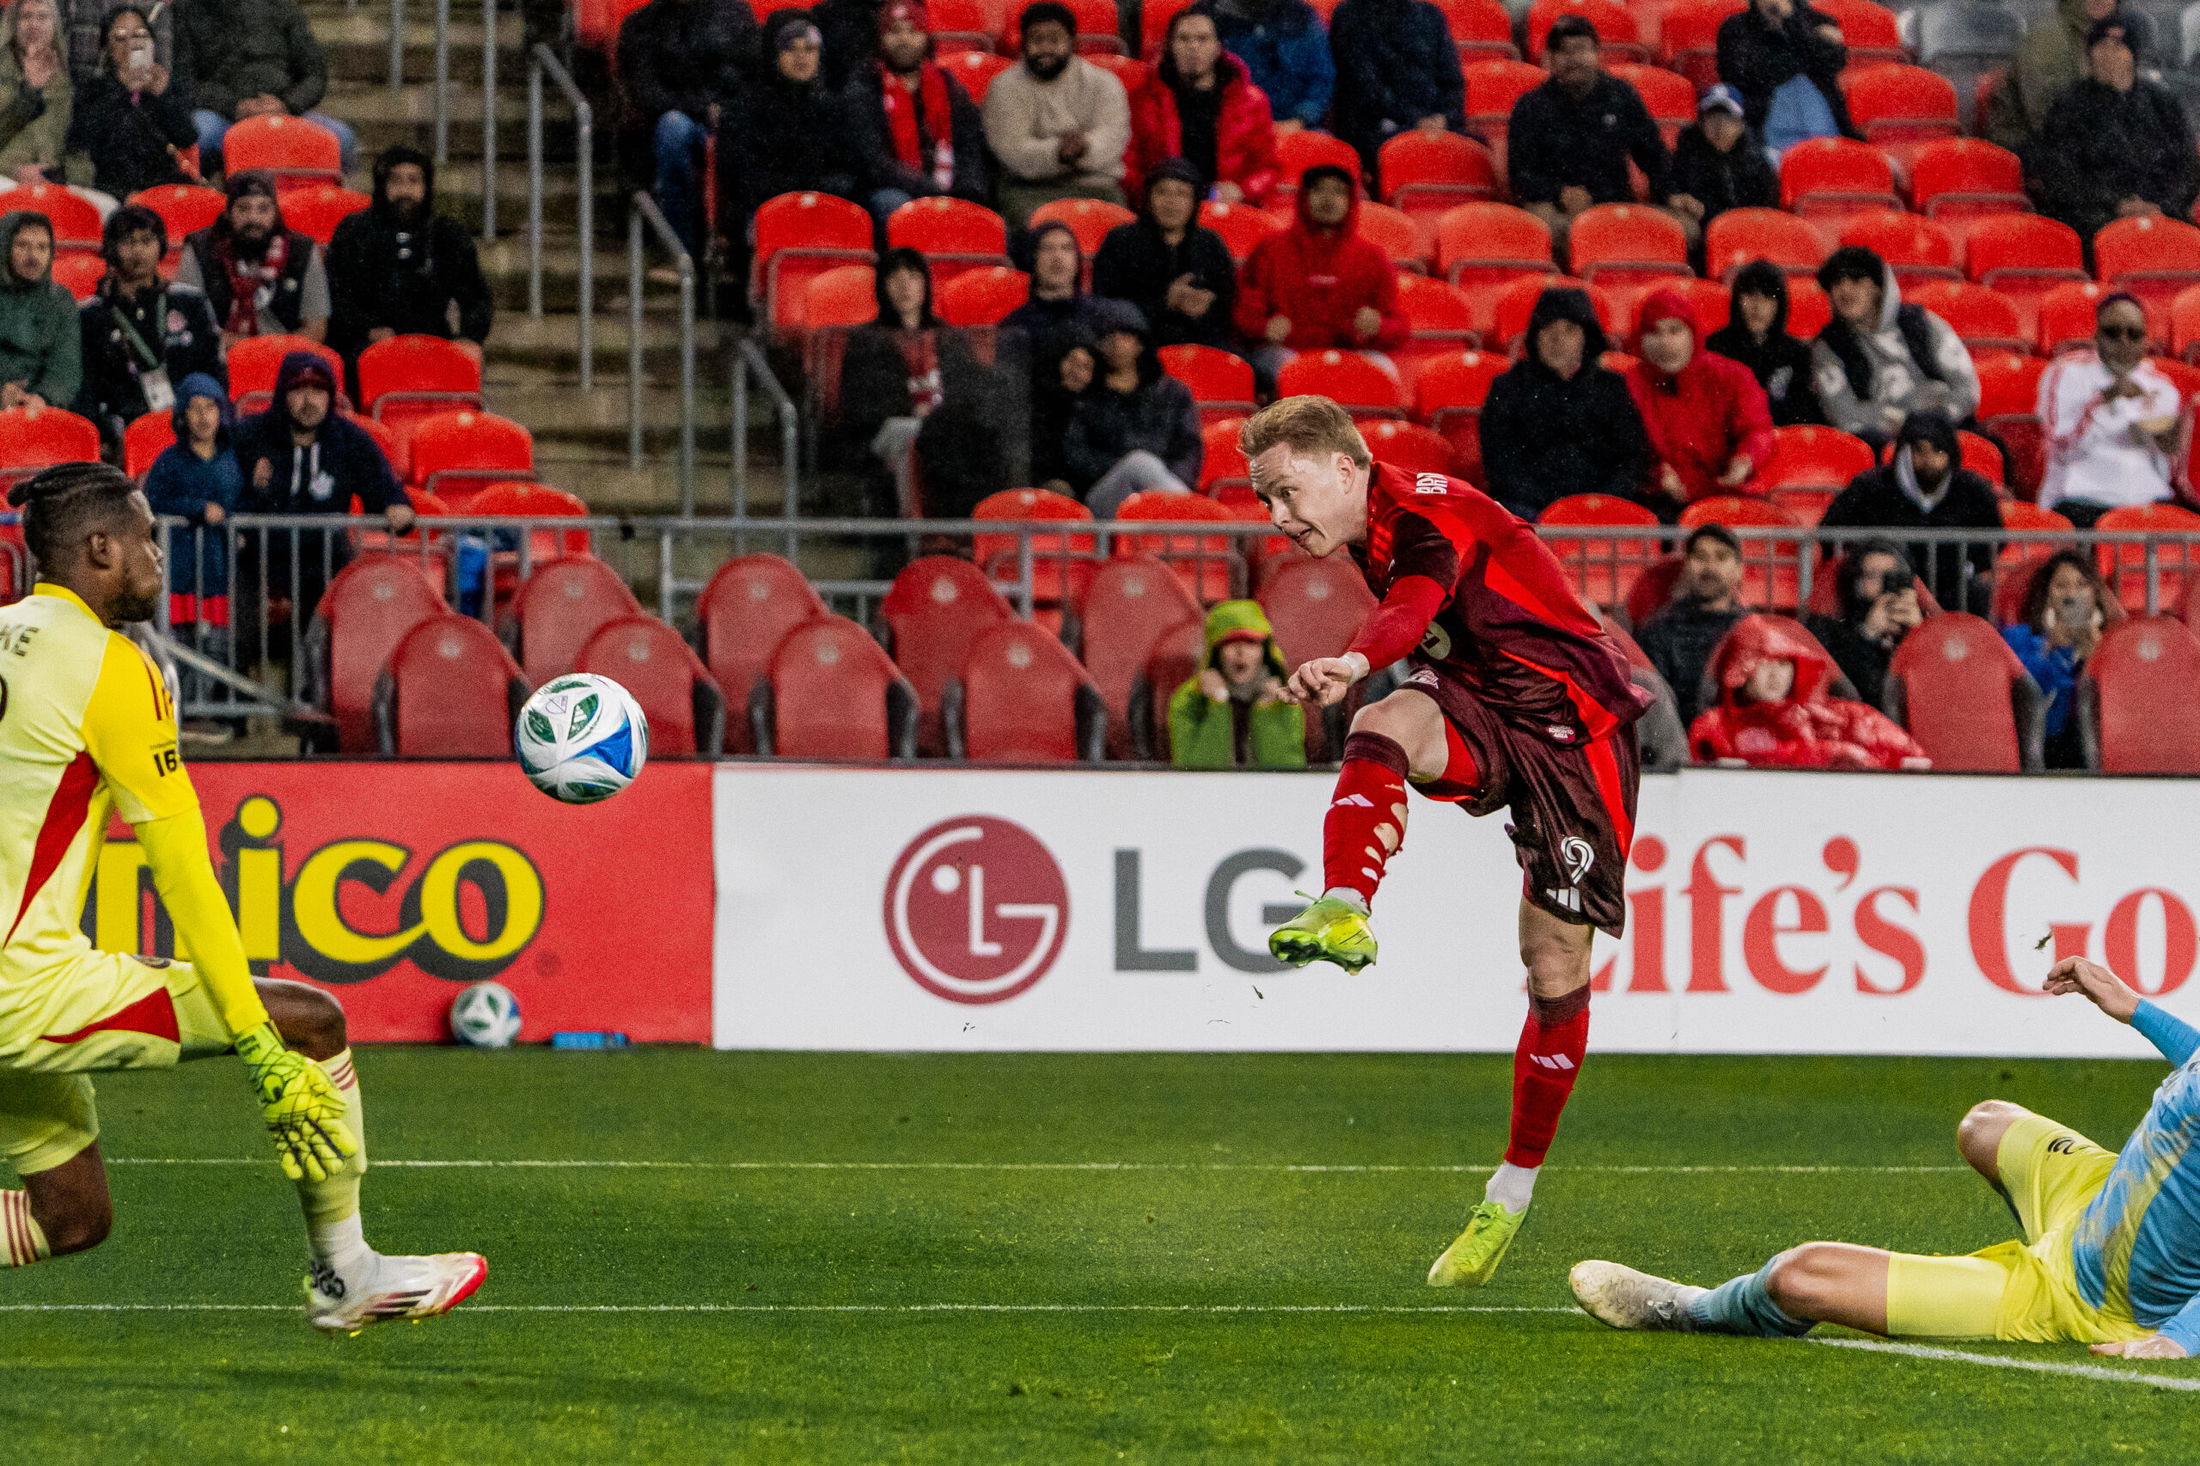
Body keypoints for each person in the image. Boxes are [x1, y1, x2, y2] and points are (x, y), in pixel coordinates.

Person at [0, 461, 484, 1331]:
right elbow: (184, 874)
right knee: (309, 1022)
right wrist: (260, 1048)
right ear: (99, 547)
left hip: (20, 982)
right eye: (146, 538)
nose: (158, 555)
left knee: (70, 1215)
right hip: (17, 993)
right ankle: (346, 1274)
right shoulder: (114, 668)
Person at [1246, 395, 1652, 1290]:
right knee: (1386, 722)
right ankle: (1346, 907)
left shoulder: (1428, 514)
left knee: (1552, 966)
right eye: (1264, 500)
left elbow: (1413, 605)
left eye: (1287, 491)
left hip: (1573, 734)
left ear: (1346, 468)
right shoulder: (1368, 522)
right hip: (1476, 699)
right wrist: (1368, 676)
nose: (1277, 518)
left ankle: (1508, 1194)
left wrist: (1351, 660)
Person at [1574, 952, 2200, 1363]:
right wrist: (2135, 1010)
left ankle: (1695, 1310)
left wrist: (2180, 1338)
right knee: (1985, 1125)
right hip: (2099, 1195)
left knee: (1800, 1276)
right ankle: (2112, 1230)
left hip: (2081, 1296)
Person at [230, 351, 412, 639]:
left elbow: (382, 486)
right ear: (282, 394)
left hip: (324, 558)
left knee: (334, 638)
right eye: (299, 390)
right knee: (240, 634)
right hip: (258, 556)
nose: (309, 401)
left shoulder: (349, 439)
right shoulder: (249, 434)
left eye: (319, 390)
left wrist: (395, 505)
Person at [1506, 17, 1680, 253]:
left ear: (1597, 53)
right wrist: (1560, 193)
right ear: (1550, 59)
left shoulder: (1622, 96)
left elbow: (1653, 154)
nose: (1574, 59)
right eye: (1564, 52)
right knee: (1549, 227)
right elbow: (1520, 171)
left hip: (1613, 202)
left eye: (1581, 49)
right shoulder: (1531, 105)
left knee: (1684, 227)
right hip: (1555, 206)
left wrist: (1671, 194)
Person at [837, 247, 989, 516]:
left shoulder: (949, 337)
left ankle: (967, 526)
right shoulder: (865, 341)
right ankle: (916, 532)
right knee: (906, 431)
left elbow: (970, 389)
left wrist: (940, 417)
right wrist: (911, 410)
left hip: (941, 429)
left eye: (912, 277)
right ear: (883, 288)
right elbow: (858, 405)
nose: (904, 286)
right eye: (895, 279)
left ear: (925, 285)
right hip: (884, 434)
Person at [1477, 286, 1652, 520]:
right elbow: (1501, 465)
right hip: (1532, 509)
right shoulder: (1508, 388)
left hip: (1603, 507)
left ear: (1585, 337)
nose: (1557, 340)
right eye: (1548, 328)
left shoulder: (1613, 388)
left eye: (1569, 330)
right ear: (1535, 335)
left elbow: (1631, 460)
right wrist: (1556, 508)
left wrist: (1595, 504)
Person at [2028, 16, 2200, 255]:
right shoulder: (2068, 106)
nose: (2108, 54)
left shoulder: (2163, 104)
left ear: (2133, 56)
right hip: (2093, 219)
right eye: (2101, 47)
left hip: (2161, 213)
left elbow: (2186, 169)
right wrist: (2117, 204)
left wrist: (2159, 206)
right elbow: (2061, 175)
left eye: (2118, 47)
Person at [325, 145, 494, 372]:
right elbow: (335, 296)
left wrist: (470, 337)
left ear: (426, 187)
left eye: (414, 181)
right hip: (364, 343)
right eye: (395, 181)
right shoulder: (353, 230)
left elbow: (476, 297)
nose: (405, 190)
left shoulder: (446, 234)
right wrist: (368, 329)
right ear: (382, 185)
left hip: (431, 341)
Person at [1230, 163, 1405, 381]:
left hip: (1349, 354)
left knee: (1384, 370)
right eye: (1319, 189)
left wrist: (1378, 326)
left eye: (1339, 192)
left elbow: (1399, 328)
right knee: (1284, 366)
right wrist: (1264, 328)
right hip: (1287, 352)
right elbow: (1242, 313)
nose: (1328, 199)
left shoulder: (1372, 258)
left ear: (1351, 201)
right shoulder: (1271, 250)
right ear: (1304, 196)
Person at [1686, 612, 1927, 769]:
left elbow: (1914, 760)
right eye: (1764, 664)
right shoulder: (1715, 727)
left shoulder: (1841, 717)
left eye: (1783, 664)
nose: (1775, 675)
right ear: (1740, 669)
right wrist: (1834, 753)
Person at [1819, 409, 2001, 613]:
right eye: (1920, 451)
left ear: (1951, 454)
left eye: (1938, 451)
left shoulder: (1973, 490)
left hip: (1952, 591)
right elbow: (1830, 531)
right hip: (1886, 589)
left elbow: (1994, 540)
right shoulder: (1870, 487)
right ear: (1906, 451)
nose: (1929, 460)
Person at [615, 0, 757, 258]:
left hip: (731, 122)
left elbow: (752, 79)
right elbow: (647, 95)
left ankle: (738, 252)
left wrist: (725, 110)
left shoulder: (735, 15)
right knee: (673, 129)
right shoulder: (641, 25)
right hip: (668, 125)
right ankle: (682, 250)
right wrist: (704, 108)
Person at [75, 204, 223, 448]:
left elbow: (214, 372)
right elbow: (86, 391)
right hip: (122, 434)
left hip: (191, 426)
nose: (138, 251)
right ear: (112, 248)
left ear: (161, 245)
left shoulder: (190, 302)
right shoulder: (90, 315)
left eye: (147, 241)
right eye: (128, 242)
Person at [2035, 293, 2184, 527]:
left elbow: (2167, 463)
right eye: (2113, 332)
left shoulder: (2161, 386)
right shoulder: (2065, 372)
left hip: (2147, 502)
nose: (2123, 342)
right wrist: (2104, 398)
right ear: (2096, 335)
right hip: (2081, 500)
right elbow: (2062, 449)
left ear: (2146, 341)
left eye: (2134, 335)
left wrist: (2168, 445)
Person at [1811, 245, 1978, 449]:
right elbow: (1844, 414)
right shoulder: (1828, 347)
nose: (1845, 290)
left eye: (1856, 280)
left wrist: (1935, 422)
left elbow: (1966, 387)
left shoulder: (1924, 324)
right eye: (1836, 283)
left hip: (1943, 428)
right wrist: (1910, 426)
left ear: (1878, 287)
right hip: (1881, 444)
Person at [1625, 287, 1775, 513]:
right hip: (1658, 503)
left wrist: (1745, 461)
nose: (1665, 342)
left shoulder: (1731, 376)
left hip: (1725, 494)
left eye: (1675, 331)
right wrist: (1657, 475)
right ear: (1641, 339)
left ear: (1692, 334)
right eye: (1654, 332)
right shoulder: (1628, 385)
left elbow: (1757, 429)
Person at [982, 2, 1131, 228]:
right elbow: (1011, 149)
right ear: (1023, 43)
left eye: (1054, 40)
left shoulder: (1105, 84)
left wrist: (1084, 147)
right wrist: (1058, 153)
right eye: (1036, 40)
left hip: (1097, 186)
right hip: (1027, 190)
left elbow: (1113, 138)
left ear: (1072, 42)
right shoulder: (1003, 87)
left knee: (1121, 231)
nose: (1045, 48)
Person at [717, 12, 863, 241]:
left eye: (809, 49)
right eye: (791, 49)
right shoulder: (743, 109)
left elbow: (851, 168)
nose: (801, 57)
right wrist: (796, 195)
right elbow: (739, 178)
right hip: (764, 210)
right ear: (774, 54)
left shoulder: (834, 109)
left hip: (826, 209)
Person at [141, 374, 240, 698]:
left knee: (217, 647)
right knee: (176, 646)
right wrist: (197, 508)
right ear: (182, 415)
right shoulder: (169, 461)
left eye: (209, 407)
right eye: (194, 408)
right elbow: (152, 502)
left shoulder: (234, 459)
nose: (202, 417)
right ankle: (180, 711)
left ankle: (208, 709)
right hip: (180, 573)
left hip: (221, 572)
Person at [850, 0, 990, 226]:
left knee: (980, 209)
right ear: (880, 38)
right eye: (894, 31)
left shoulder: (947, 85)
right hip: (892, 190)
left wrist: (967, 189)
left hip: (948, 186)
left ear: (926, 37)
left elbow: (969, 145)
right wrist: (928, 189)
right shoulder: (866, 86)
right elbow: (874, 162)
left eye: (913, 31)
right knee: (894, 205)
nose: (904, 40)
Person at [181, 0, 357, 174]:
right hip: (222, 114)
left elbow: (315, 74)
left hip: (283, 110)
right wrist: (234, 106)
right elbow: (184, 80)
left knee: (343, 139)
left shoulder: (283, 7)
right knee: (200, 137)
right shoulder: (190, 9)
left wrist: (286, 104)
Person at [1126, 10, 1279, 208]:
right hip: (1161, 211)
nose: (1193, 47)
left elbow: (1268, 168)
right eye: (1183, 39)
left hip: (1230, 208)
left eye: (1202, 39)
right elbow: (1128, 165)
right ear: (1170, 47)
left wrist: (1243, 190)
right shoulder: (1142, 100)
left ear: (1218, 47)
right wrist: (1156, 192)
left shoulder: (1252, 101)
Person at [1064, 300, 1202, 516]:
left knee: (1143, 466)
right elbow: (1077, 456)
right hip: (1104, 496)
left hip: (1161, 490)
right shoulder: (1088, 396)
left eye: (1124, 335)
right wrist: (1120, 467)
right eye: (1108, 336)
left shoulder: (1172, 393)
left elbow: (1188, 449)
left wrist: (1161, 479)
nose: (1116, 342)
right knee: (1138, 463)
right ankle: (1195, 520)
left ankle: (1179, 512)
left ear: (1140, 343)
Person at [1004, 220, 1109, 489]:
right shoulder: (1015, 326)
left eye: (1065, 249)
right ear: (1033, 258)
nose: (1057, 257)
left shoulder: (1103, 320)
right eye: (1047, 249)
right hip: (1038, 442)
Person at [1092, 158, 1238, 352]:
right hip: (1139, 348)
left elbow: (1229, 302)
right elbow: (1105, 307)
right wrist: (1165, 302)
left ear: (1194, 202)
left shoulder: (1210, 244)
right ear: (1148, 198)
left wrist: (1207, 306)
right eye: (1162, 192)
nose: (1172, 202)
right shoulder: (1120, 241)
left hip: (1202, 342)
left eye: (1182, 193)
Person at [175, 172, 331, 346]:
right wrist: (247, 351)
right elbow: (190, 323)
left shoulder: (302, 250)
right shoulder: (200, 248)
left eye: (263, 209)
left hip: (286, 360)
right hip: (221, 359)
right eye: (243, 208)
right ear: (228, 213)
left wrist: (267, 354)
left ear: (275, 213)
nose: (253, 218)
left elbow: (316, 329)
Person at [2002, 547, 2117, 769]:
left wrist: (2097, 656)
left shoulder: (2113, 645)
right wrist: (2049, 650)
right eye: (2061, 586)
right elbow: (2026, 703)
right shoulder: (2019, 638)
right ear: (2046, 595)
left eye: (2081, 585)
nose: (2071, 595)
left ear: (2095, 595)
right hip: (2044, 748)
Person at [65, 6, 194, 203]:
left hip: (162, 188)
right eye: (120, 37)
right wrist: (121, 91)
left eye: (139, 35)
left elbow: (186, 137)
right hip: (108, 190)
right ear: (106, 47)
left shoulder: (165, 85)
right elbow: (84, 141)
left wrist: (163, 97)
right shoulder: (92, 90)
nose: (131, 44)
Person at [1326, 0, 1464, 174]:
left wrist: (1444, 117)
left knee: (1473, 151)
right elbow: (1363, 84)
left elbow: (1451, 81)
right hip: (1372, 124)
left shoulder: (1430, 15)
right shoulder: (1349, 14)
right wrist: (1415, 120)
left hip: (1433, 123)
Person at [1168, 599, 1307, 768]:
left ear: (1264, 650)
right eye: (1230, 642)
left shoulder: (1283, 700)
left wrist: (1266, 712)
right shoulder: (1188, 700)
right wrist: (1217, 703)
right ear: (1215, 651)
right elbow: (1194, 770)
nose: (1241, 651)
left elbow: (1289, 771)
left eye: (1251, 643)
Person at [1635, 522, 1748, 727]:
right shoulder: (1658, 628)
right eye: (1700, 557)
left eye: (1721, 557)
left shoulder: (1752, 629)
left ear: (1739, 570)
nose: (1709, 567)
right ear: (1686, 565)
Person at [1714, 0, 1856, 159]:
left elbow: (1833, 62)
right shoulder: (1736, 28)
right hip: (1768, 134)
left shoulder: (1817, 20)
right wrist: (1809, 44)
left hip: (1825, 131)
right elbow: (1754, 73)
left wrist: (1791, 22)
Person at [1986, 0, 2120, 153]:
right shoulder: (2047, 40)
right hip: (2025, 139)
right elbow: (2046, 112)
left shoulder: (2119, 38)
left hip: (2085, 137)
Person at [1801, 538, 1920, 709]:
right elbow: (1851, 692)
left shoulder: (1918, 616)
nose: (1882, 584)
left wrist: (1918, 635)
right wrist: (1868, 635)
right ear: (1856, 584)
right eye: (1872, 576)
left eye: (1891, 576)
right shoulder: (1827, 628)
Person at [1704, 258, 1824, 428]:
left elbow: (1803, 413)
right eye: (1750, 295)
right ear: (1737, 300)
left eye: (1768, 297)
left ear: (1779, 305)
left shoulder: (1797, 352)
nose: (1757, 306)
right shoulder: (1716, 346)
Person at [1189, 0, 1333, 134]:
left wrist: (1299, 120)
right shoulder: (1207, 14)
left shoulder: (1301, 16)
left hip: (1294, 125)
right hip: (1227, 127)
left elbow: (1322, 77)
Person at [1668, 85, 1778, 238]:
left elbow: (1768, 208)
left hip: (1752, 234)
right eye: (1712, 116)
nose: (1719, 126)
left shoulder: (1756, 160)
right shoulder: (1685, 157)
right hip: (1706, 238)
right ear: (1701, 122)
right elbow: (1675, 197)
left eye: (1728, 117)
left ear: (1740, 124)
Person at [0, 210, 79, 411]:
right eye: (22, 245)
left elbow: (66, 366)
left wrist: (44, 398)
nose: (33, 256)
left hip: (41, 409)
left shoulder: (60, 299)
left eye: (42, 247)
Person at [0, 0, 75, 192]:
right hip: (6, 176)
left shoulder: (67, 80)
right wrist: (30, 92)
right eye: (26, 17)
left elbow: (80, 148)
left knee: (105, 208)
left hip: (52, 181)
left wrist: (60, 173)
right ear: (14, 24)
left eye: (42, 17)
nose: (34, 24)